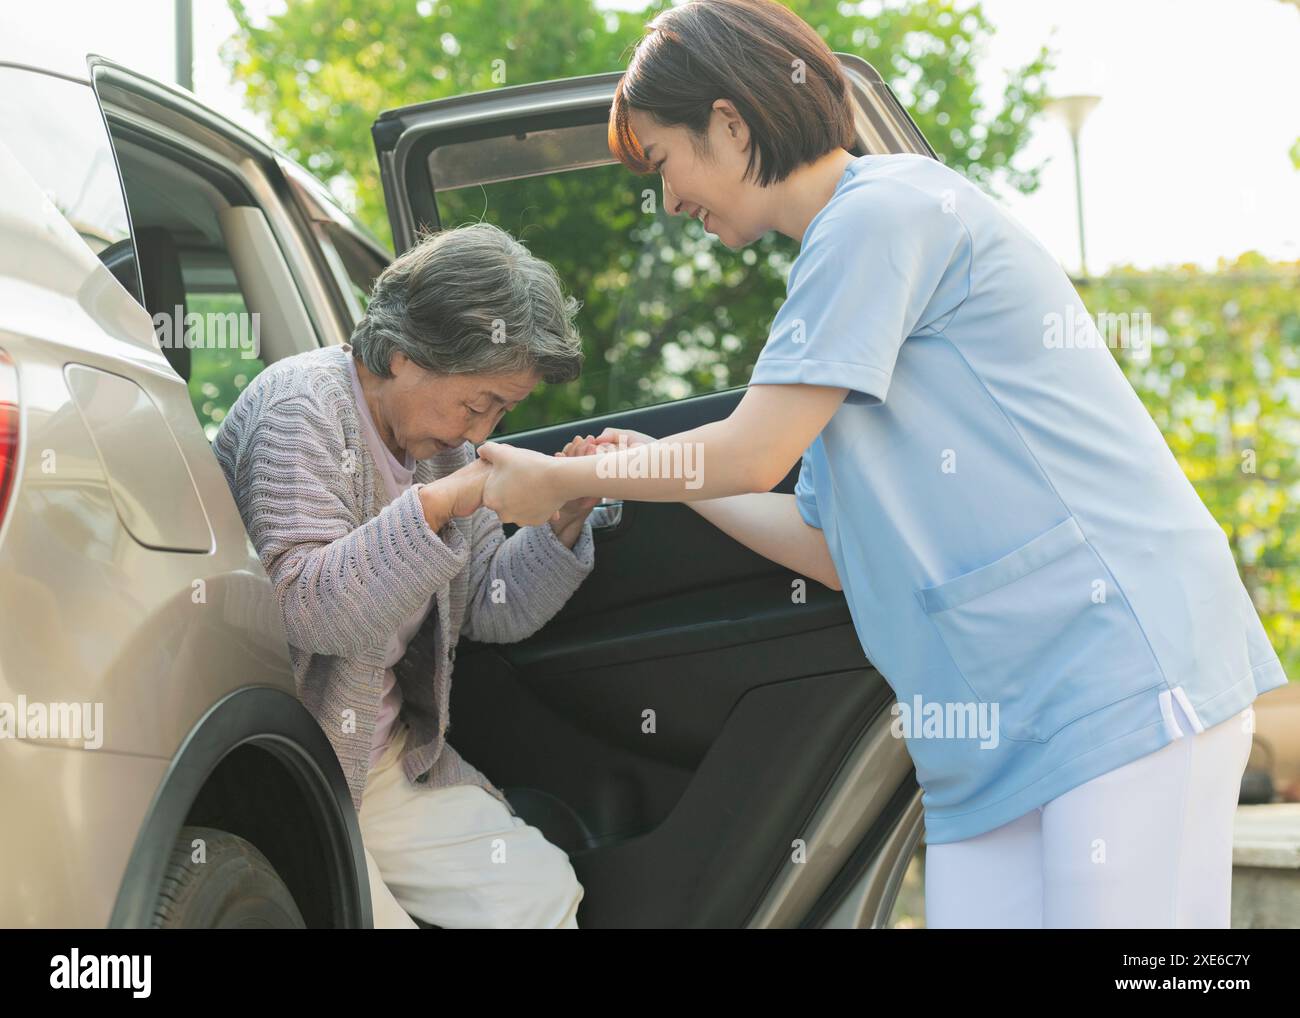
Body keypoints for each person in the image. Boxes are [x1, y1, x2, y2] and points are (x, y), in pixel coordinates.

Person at [471, 0, 1289, 927]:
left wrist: (565, 479)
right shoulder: (830, 267)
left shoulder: (884, 213)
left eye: (664, 162)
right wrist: (662, 469)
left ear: (731, 123)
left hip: (1112, 676)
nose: (668, 200)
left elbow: (753, 450)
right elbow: (833, 545)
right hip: (993, 725)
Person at [214, 222, 599, 927]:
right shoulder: (303, 409)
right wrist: (446, 502)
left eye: (501, 413)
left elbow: (488, 604)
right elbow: (305, 607)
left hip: (379, 752)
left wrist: (564, 521)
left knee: (540, 895)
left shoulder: (440, 450)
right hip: (295, 755)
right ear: (399, 354)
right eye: (477, 403)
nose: (480, 433)